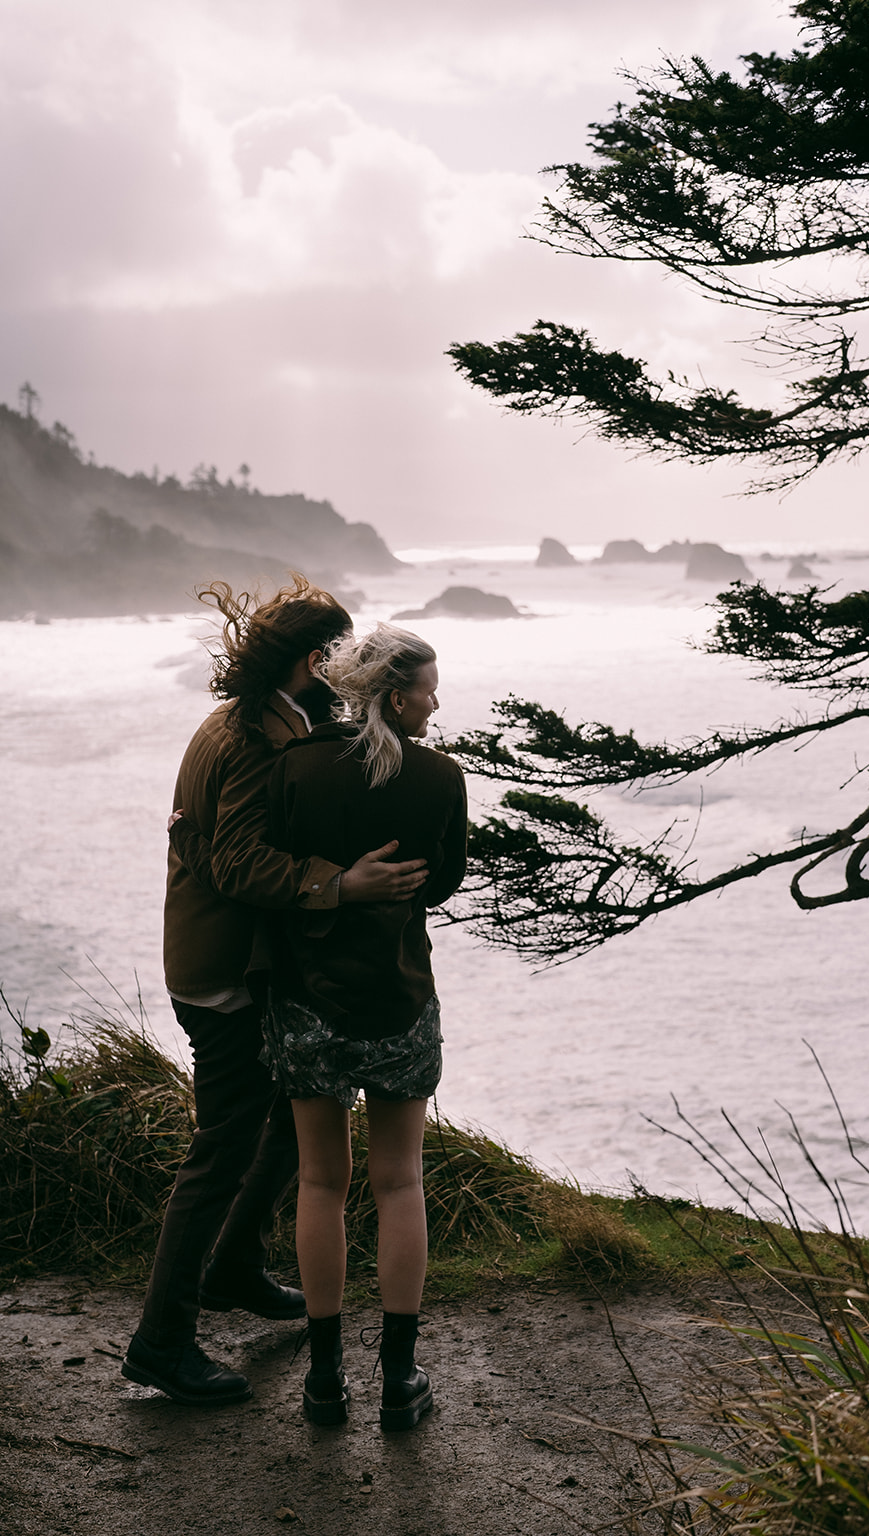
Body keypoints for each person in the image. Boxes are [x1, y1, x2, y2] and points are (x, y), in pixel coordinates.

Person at [123, 578, 429, 1407]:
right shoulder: (254, 741)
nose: (349, 662)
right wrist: (344, 883)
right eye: (338, 651)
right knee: (221, 1150)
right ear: (310, 659)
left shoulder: (259, 721)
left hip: (218, 959)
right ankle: (161, 1341)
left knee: (291, 1120)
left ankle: (232, 1266)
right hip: (223, 972)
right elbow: (238, 863)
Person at [257, 623, 466, 1431]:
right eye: (427, 688)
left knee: (320, 1183)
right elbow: (441, 885)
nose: (436, 700)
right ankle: (399, 1379)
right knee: (398, 1181)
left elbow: (270, 869)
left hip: (308, 999)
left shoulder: (294, 768)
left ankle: (321, 1383)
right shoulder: (439, 777)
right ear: (394, 694)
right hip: (398, 997)